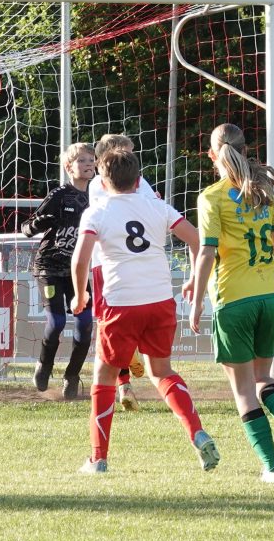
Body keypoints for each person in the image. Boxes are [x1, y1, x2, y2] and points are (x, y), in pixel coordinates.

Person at [70, 145, 217, 474]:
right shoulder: (157, 206)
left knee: (105, 376)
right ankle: (197, 432)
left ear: (103, 182)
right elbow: (196, 239)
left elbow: (80, 259)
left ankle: (98, 458)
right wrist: (194, 278)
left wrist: (80, 295)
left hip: (121, 301)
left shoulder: (97, 212)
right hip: (160, 300)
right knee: (162, 372)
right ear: (138, 180)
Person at [187, 123, 274, 482]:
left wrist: (197, 299)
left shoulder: (212, 196)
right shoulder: (262, 189)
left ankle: (272, 468)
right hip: (269, 297)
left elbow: (208, 250)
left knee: (243, 391)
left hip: (233, 299)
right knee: (263, 377)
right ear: (246, 148)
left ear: (212, 155)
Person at [87, 132, 156, 410]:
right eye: (128, 151)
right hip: (108, 262)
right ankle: (123, 386)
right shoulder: (97, 185)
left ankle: (130, 362)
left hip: (130, 262)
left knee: (125, 320)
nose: (133, 158)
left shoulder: (140, 183)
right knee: (110, 326)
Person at [24, 142, 97, 398]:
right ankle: (44, 365)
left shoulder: (97, 196)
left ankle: (72, 375)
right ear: (69, 167)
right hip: (49, 267)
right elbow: (26, 227)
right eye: (82, 160)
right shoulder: (59, 195)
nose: (88, 164)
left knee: (86, 323)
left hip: (77, 271)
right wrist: (37, 225)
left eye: (91, 160)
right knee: (57, 322)